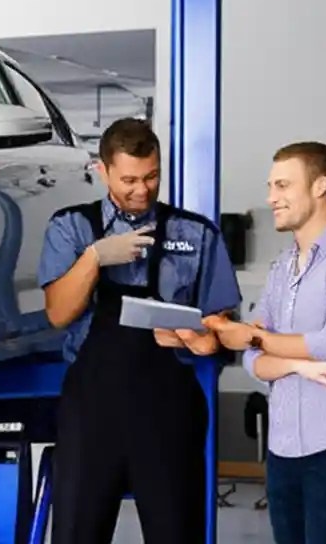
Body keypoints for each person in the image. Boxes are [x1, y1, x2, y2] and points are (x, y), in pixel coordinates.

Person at [38, 117, 242, 544]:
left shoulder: (196, 234)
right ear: (104, 170)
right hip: (91, 416)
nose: (141, 189)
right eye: (129, 179)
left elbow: (223, 329)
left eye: (151, 177)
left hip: (169, 415)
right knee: (77, 532)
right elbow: (58, 313)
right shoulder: (70, 228)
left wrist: (202, 340)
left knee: (176, 532)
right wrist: (94, 257)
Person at [207, 141, 326, 544]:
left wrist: (256, 337)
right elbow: (252, 362)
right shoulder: (282, 267)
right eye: (271, 186)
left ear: (320, 186)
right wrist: (296, 364)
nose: (271, 198)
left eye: (283, 185)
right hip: (282, 450)